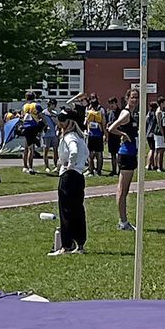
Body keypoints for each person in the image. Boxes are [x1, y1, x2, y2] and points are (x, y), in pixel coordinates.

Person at [48, 107, 90, 256]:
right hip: (79, 176)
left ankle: (65, 245)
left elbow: (74, 151)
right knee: (78, 210)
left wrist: (69, 164)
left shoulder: (70, 137)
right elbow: (86, 153)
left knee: (66, 211)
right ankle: (80, 244)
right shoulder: (80, 137)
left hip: (68, 176)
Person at [108, 90, 139, 231]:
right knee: (122, 189)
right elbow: (111, 128)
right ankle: (123, 221)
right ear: (127, 98)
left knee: (126, 190)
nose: (135, 100)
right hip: (125, 153)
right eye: (132, 97)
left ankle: (124, 221)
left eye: (137, 97)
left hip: (132, 153)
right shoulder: (126, 114)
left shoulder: (133, 113)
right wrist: (123, 134)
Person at [20, 92, 44, 175]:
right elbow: (41, 116)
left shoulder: (24, 106)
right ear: (34, 97)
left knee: (26, 147)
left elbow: (22, 116)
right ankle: (30, 167)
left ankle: (24, 166)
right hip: (33, 127)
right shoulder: (36, 105)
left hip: (25, 127)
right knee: (31, 148)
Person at [84, 98, 106, 176]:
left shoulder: (88, 112)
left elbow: (86, 123)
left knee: (91, 154)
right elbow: (103, 125)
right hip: (98, 136)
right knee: (99, 154)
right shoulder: (100, 112)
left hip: (92, 136)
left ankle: (91, 170)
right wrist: (105, 135)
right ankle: (98, 171)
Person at [42, 98, 60, 173]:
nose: (53, 106)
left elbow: (57, 123)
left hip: (54, 134)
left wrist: (54, 117)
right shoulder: (44, 112)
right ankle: (47, 166)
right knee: (46, 150)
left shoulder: (55, 113)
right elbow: (42, 122)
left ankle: (56, 165)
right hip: (46, 134)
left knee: (55, 150)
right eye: (52, 105)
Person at [106, 97, 122, 176]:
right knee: (112, 154)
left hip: (118, 135)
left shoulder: (120, 112)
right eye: (110, 104)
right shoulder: (109, 112)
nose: (111, 105)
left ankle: (119, 170)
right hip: (111, 135)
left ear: (116, 103)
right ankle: (113, 170)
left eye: (112, 103)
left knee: (119, 154)